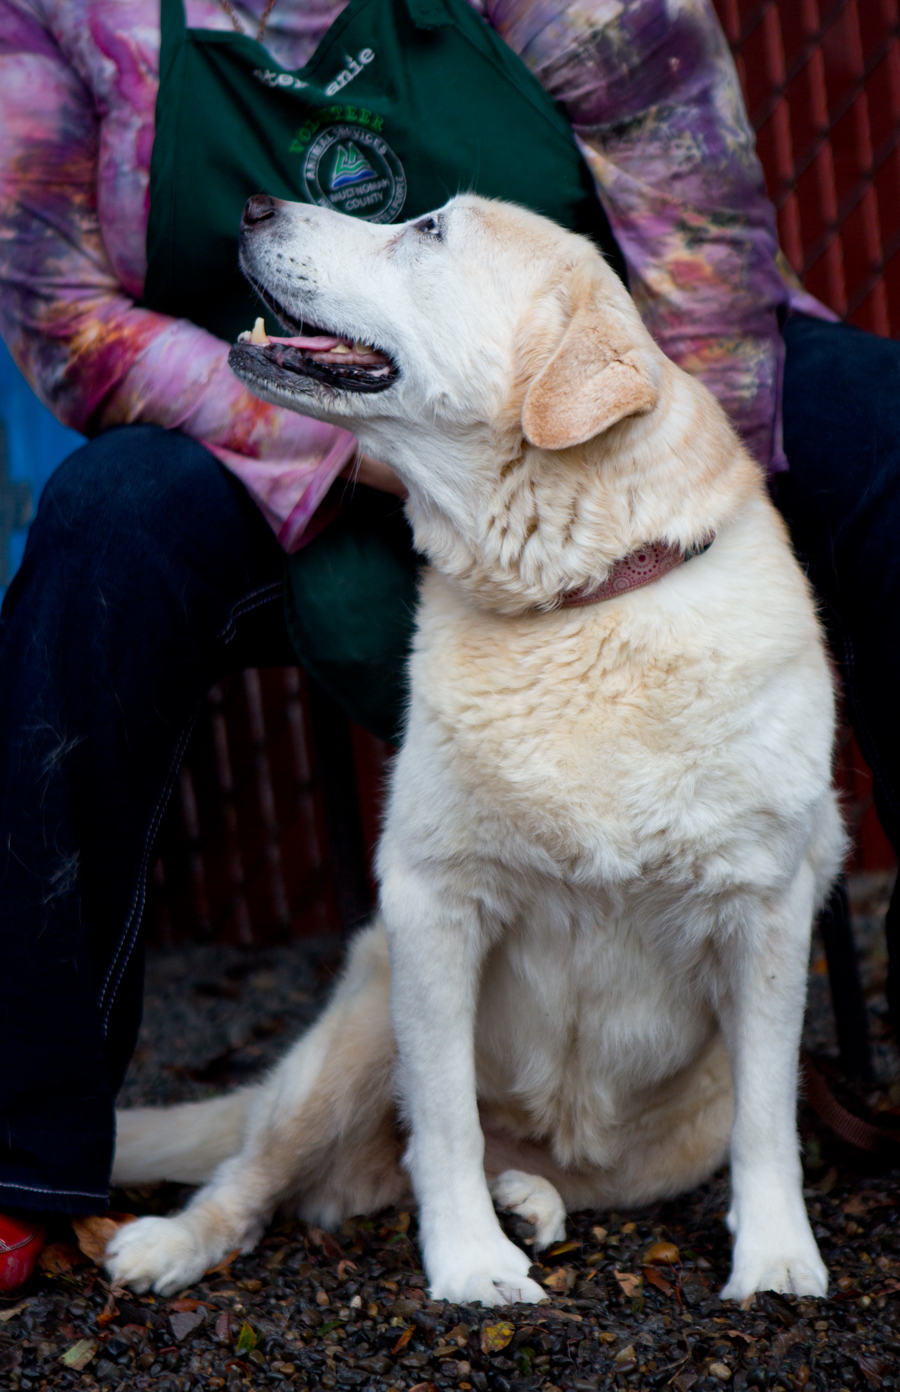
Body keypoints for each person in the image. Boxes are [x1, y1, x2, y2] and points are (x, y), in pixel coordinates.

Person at [1, 0, 898, 1292]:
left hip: (593, 417)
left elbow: (703, 263)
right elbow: (63, 317)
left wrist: (640, 539)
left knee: (880, 430)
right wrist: (380, 453)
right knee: (102, 532)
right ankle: (29, 1148)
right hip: (283, 399)